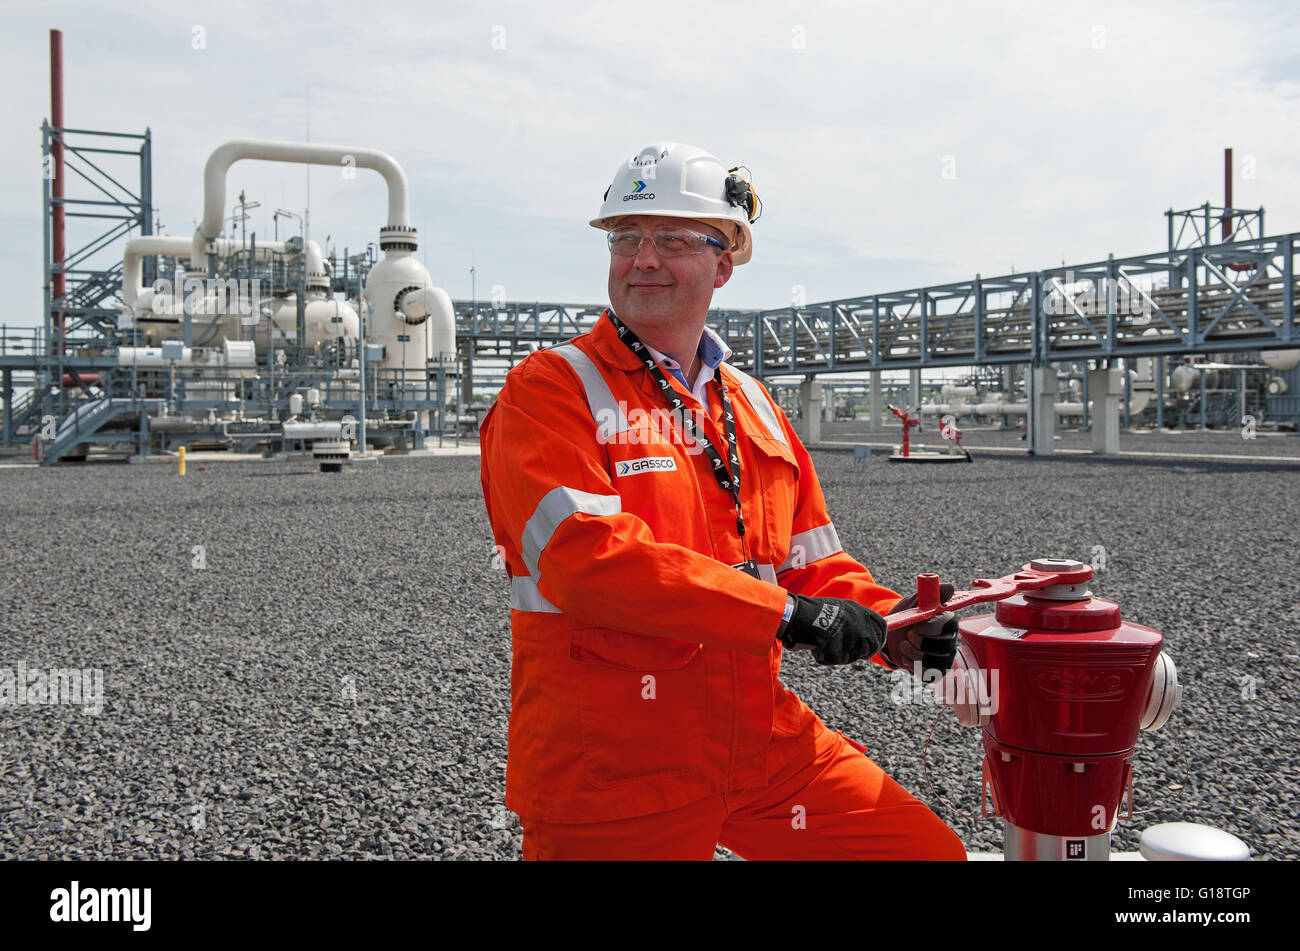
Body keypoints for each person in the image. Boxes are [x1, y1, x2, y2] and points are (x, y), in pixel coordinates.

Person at [479, 142, 967, 861]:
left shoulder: (753, 406)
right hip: (614, 765)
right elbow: (586, 561)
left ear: (726, 261)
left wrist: (893, 624)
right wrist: (789, 616)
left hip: (759, 742)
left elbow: (809, 563)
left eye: (673, 239)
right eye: (625, 238)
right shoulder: (553, 390)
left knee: (924, 855)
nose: (643, 258)